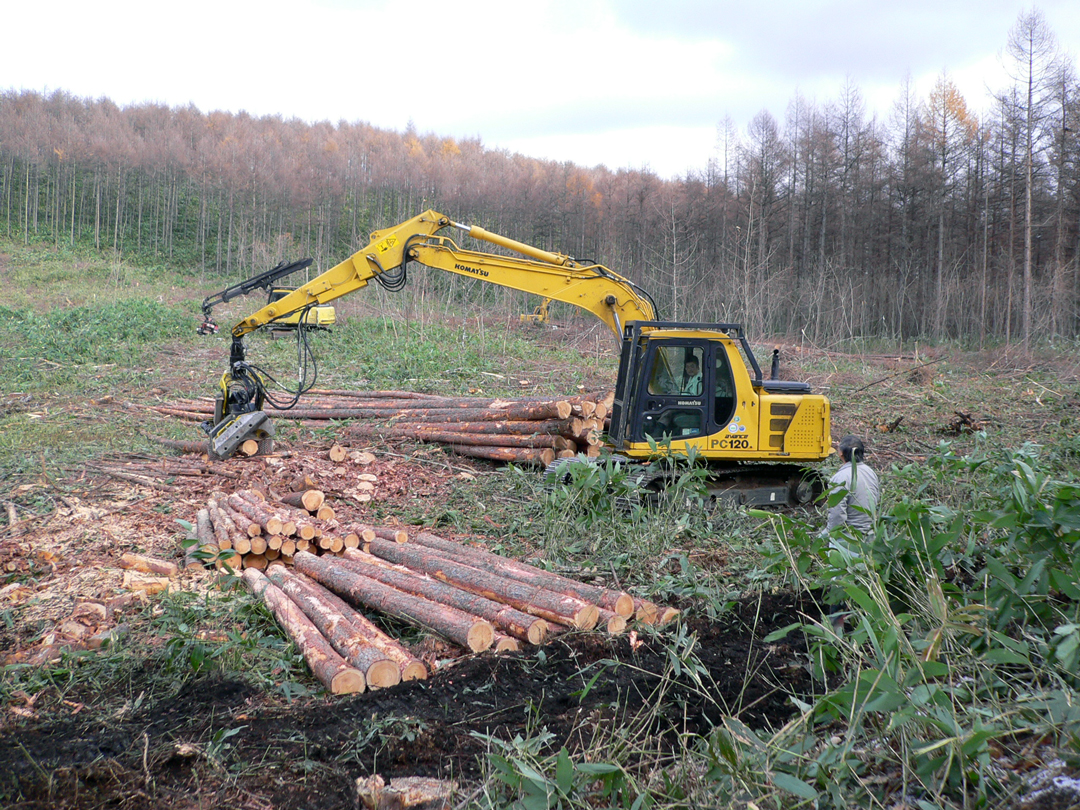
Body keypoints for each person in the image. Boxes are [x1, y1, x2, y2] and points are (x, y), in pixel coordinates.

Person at [824, 435, 880, 535]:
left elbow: (837, 514)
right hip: (870, 533)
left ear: (841, 453)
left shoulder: (840, 477)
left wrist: (830, 533)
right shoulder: (871, 473)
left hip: (849, 537)